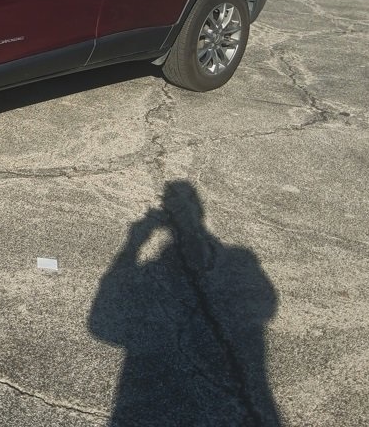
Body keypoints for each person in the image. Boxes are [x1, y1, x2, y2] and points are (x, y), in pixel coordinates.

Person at [88, 180, 282, 425]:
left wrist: (134, 241)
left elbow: (100, 326)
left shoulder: (238, 257)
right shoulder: (239, 257)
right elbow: (266, 303)